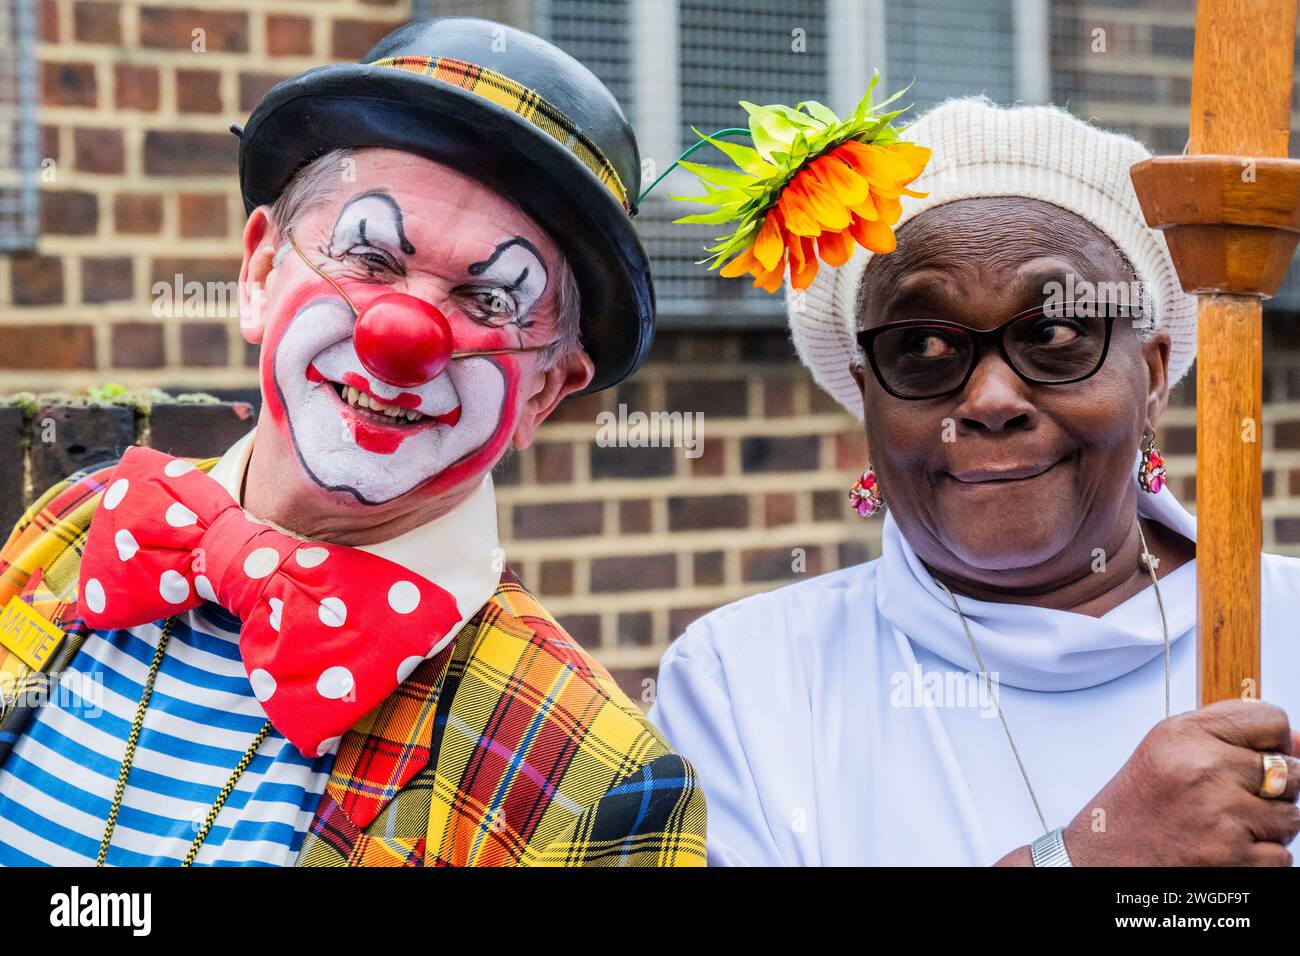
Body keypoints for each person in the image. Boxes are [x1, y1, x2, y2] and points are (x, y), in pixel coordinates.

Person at [0, 17, 705, 867]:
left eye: (488, 301)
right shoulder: (77, 526)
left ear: (543, 393)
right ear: (260, 274)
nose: (401, 335)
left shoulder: (595, 786)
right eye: (370, 258)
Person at [649, 96, 1300, 866]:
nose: (989, 400)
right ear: (868, 395)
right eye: (922, 345)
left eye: (1055, 333)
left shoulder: (1285, 628)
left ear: (1153, 378)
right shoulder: (747, 684)